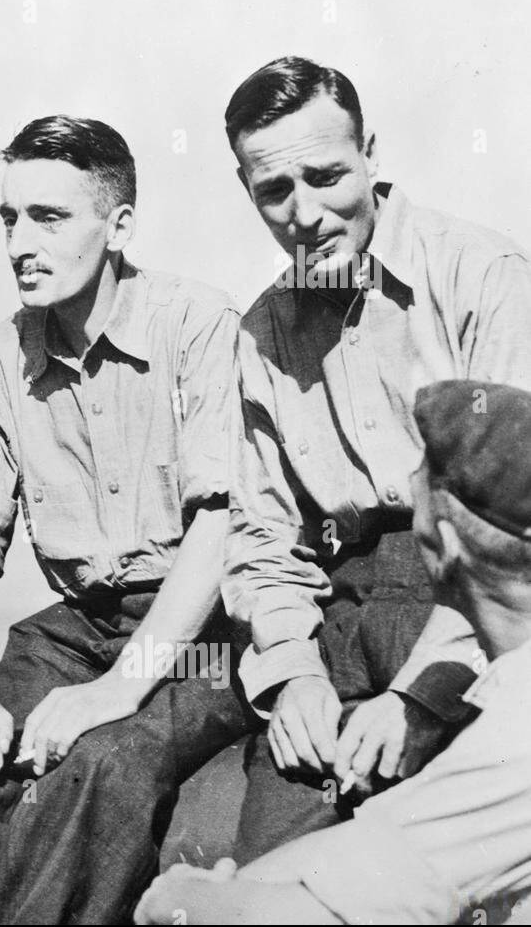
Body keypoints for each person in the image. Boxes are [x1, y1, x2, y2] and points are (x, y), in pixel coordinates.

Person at [0, 114, 257, 925]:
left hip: (203, 625)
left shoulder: (196, 323)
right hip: (77, 628)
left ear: (119, 224)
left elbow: (221, 526)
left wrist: (119, 689)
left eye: (50, 217)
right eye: (9, 217)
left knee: (108, 758)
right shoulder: (3, 353)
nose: (20, 242)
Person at [221, 56, 531, 861]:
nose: (306, 213)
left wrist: (424, 695)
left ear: (372, 154)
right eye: (274, 192)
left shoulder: (480, 275)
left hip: (468, 603)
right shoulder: (261, 334)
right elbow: (264, 540)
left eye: (326, 176)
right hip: (340, 614)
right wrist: (293, 676)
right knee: (273, 872)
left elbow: (511, 532)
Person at [137, 379, 531, 925]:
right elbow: (381, 848)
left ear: (447, 545)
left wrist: (179, 901)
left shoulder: (516, 730)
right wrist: (242, 888)